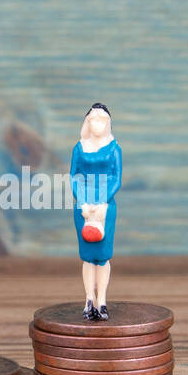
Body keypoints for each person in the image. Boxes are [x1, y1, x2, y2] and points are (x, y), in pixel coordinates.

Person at [70, 103, 121, 320]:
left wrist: (102, 203)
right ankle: (89, 298)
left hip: (105, 207)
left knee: (102, 256)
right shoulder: (79, 148)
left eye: (101, 120)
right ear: (87, 122)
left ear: (108, 123)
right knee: (88, 257)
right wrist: (82, 202)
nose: (97, 124)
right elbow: (74, 176)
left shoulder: (114, 148)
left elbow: (116, 178)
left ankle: (102, 300)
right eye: (93, 119)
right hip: (83, 207)